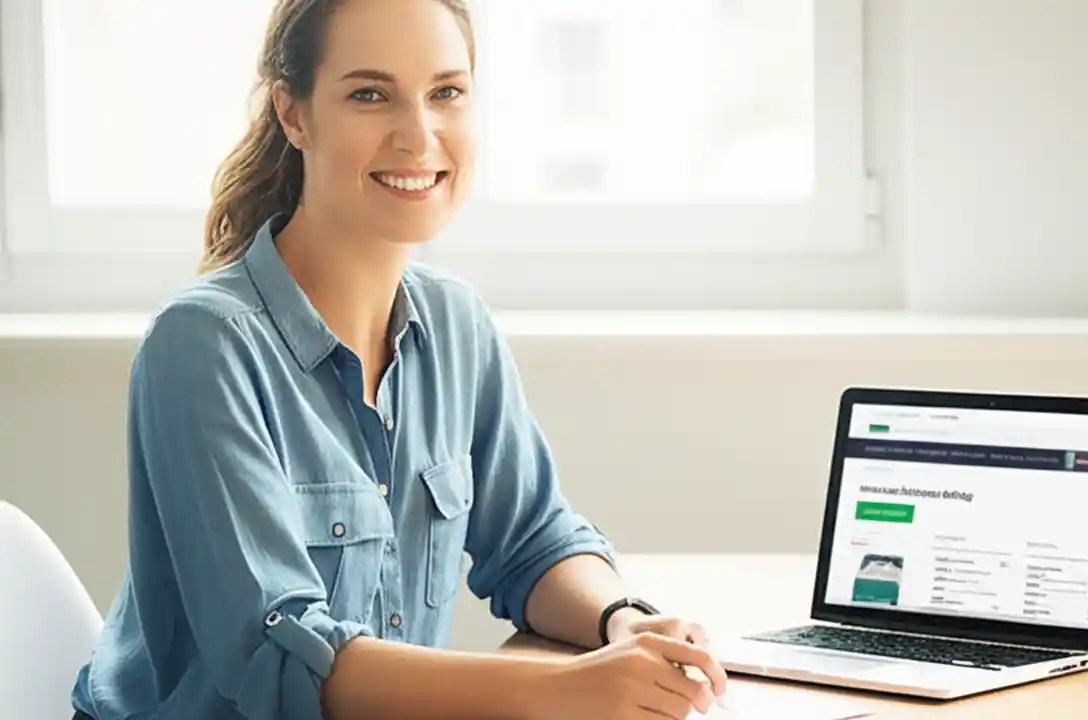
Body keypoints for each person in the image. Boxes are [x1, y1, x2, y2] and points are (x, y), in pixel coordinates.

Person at [68, 1, 728, 718]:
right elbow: (281, 656)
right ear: (293, 114)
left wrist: (623, 621)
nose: (419, 135)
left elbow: (533, 541)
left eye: (446, 92)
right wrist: (566, 689)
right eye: (369, 94)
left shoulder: (457, 325)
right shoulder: (203, 346)